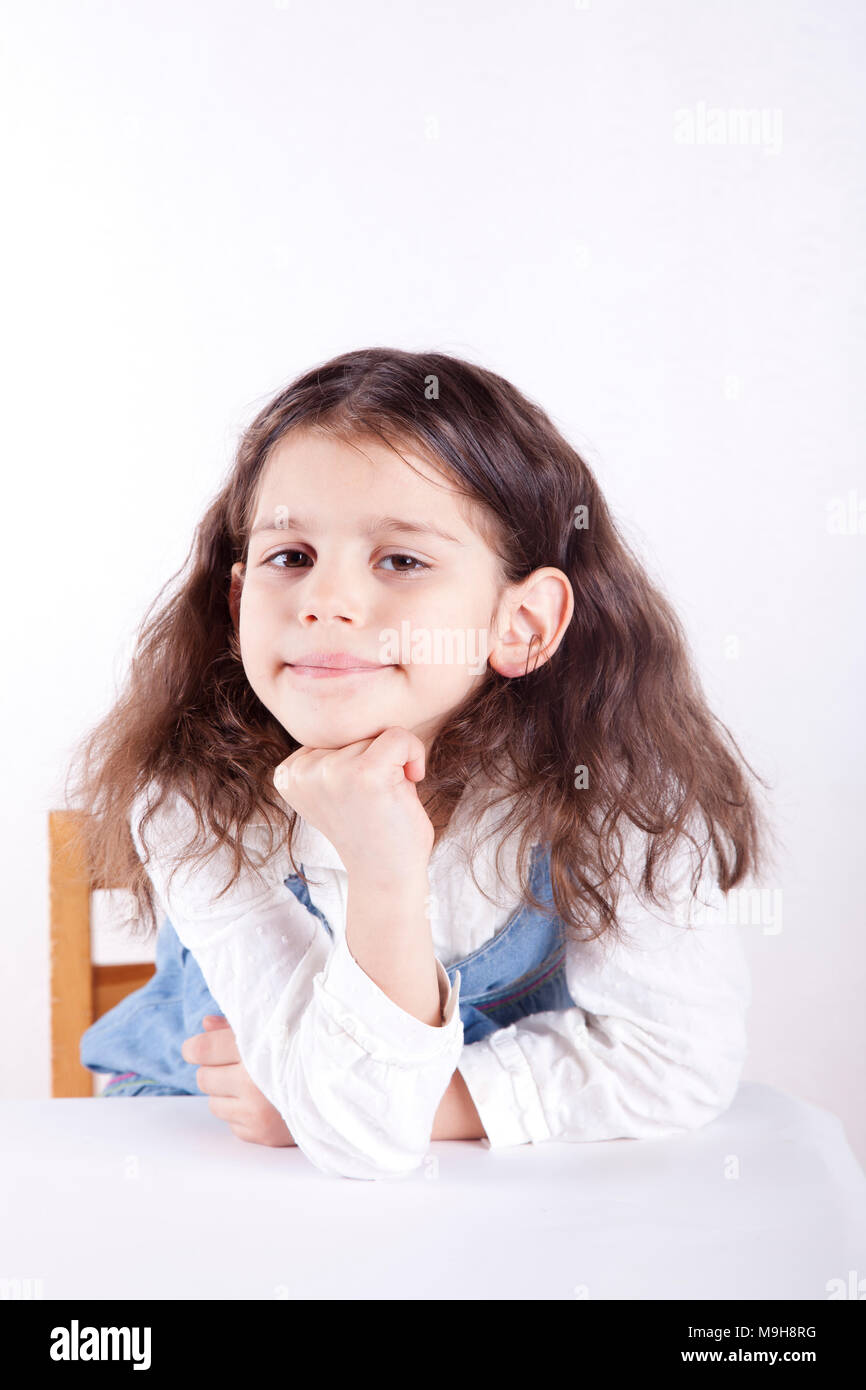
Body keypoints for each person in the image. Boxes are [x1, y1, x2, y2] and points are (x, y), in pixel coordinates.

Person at [69, 346, 778, 1181]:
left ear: (522, 623)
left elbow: (674, 1062)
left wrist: (359, 1099)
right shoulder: (189, 800)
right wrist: (381, 874)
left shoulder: (621, 791)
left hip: (497, 1185)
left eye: (400, 560)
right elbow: (361, 1144)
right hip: (210, 1156)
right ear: (237, 604)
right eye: (290, 556)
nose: (324, 601)